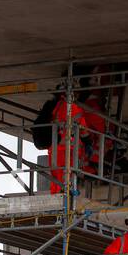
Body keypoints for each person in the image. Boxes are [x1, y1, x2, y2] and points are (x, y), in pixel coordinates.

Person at [34, 65, 109, 195]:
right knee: (63, 177)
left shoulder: (57, 107)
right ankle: (63, 200)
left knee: (58, 178)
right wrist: (88, 141)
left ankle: (60, 200)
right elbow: (83, 128)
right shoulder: (71, 108)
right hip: (66, 150)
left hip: (58, 149)